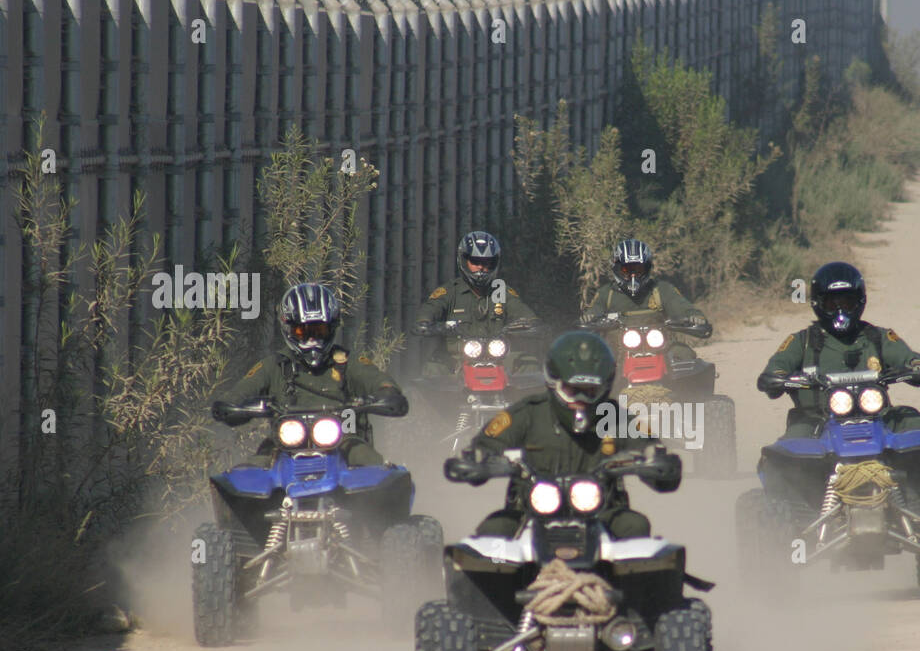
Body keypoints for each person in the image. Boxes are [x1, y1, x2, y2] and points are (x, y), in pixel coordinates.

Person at [455, 331, 679, 538]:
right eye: (572, 391)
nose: (581, 400)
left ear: (606, 387)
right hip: (528, 514)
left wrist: (658, 463)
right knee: (490, 534)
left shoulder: (616, 416)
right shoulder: (529, 412)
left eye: (591, 392)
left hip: (604, 514)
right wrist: (477, 458)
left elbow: (649, 447)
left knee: (637, 529)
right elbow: (487, 443)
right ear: (554, 383)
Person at [211, 282, 408, 466]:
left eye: (319, 330)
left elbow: (379, 381)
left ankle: (379, 501)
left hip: (344, 443)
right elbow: (238, 393)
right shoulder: (274, 365)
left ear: (331, 328)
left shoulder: (347, 362)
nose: (312, 339)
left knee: (370, 462)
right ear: (288, 329)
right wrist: (230, 405)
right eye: (302, 332)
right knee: (246, 475)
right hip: (284, 446)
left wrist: (387, 395)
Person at [757, 261, 920, 438]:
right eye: (831, 304)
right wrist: (777, 378)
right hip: (816, 422)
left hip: (877, 416)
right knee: (796, 437)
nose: (840, 311)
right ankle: (785, 468)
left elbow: (906, 357)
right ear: (817, 304)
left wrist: (917, 366)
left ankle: (916, 467)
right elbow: (776, 368)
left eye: (847, 303)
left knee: (911, 419)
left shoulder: (879, 337)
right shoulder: (801, 341)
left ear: (860, 301)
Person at [413, 230, 540, 375]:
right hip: (456, 359)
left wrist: (533, 324)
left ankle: (524, 398)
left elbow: (521, 310)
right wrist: (425, 323)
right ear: (464, 261)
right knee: (433, 369)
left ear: (494, 263)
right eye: (475, 261)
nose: (481, 267)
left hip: (499, 358)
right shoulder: (449, 291)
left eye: (487, 262)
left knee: (529, 364)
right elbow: (430, 309)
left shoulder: (500, 290)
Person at [578, 238, 709, 362]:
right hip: (617, 354)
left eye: (638, 269)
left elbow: (683, 308)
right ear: (617, 269)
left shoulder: (662, 289)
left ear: (647, 268)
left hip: (661, 348)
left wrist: (695, 317)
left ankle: (688, 386)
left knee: (685, 355)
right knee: (593, 362)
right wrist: (589, 318)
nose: (633, 275)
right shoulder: (606, 293)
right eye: (627, 270)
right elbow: (594, 311)